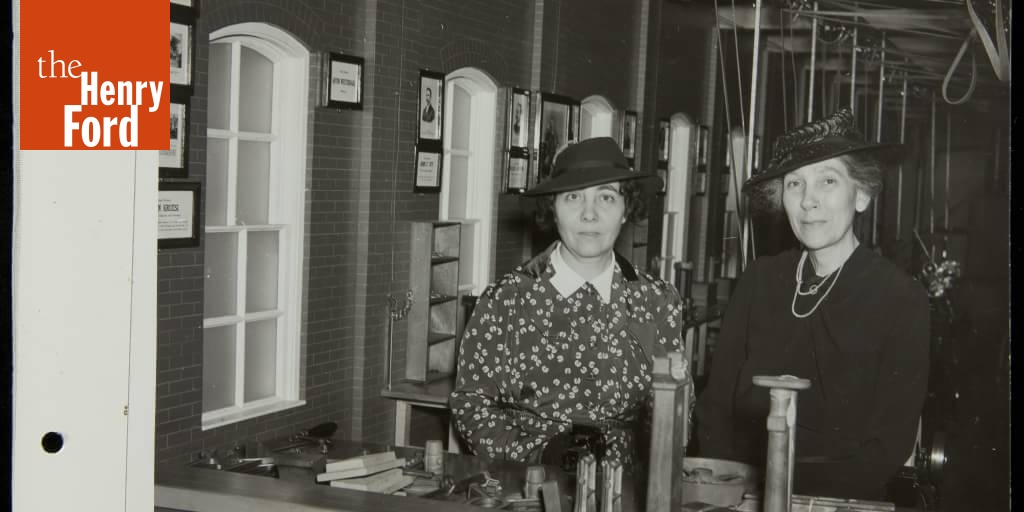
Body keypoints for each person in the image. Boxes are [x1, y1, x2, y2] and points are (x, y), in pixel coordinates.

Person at [695, 108, 930, 500]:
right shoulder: (759, 281)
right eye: (794, 184)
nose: (809, 201)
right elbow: (715, 409)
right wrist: (731, 493)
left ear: (862, 195)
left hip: (842, 501)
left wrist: (799, 502)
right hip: (742, 495)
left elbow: (889, 444)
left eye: (828, 181)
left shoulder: (900, 299)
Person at [450, 137, 692, 473]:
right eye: (573, 197)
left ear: (626, 210)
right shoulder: (506, 300)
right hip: (528, 487)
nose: (589, 214)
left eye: (606, 197)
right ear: (553, 209)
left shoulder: (658, 300)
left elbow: (679, 408)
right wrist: (538, 455)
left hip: (628, 491)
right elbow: (471, 406)